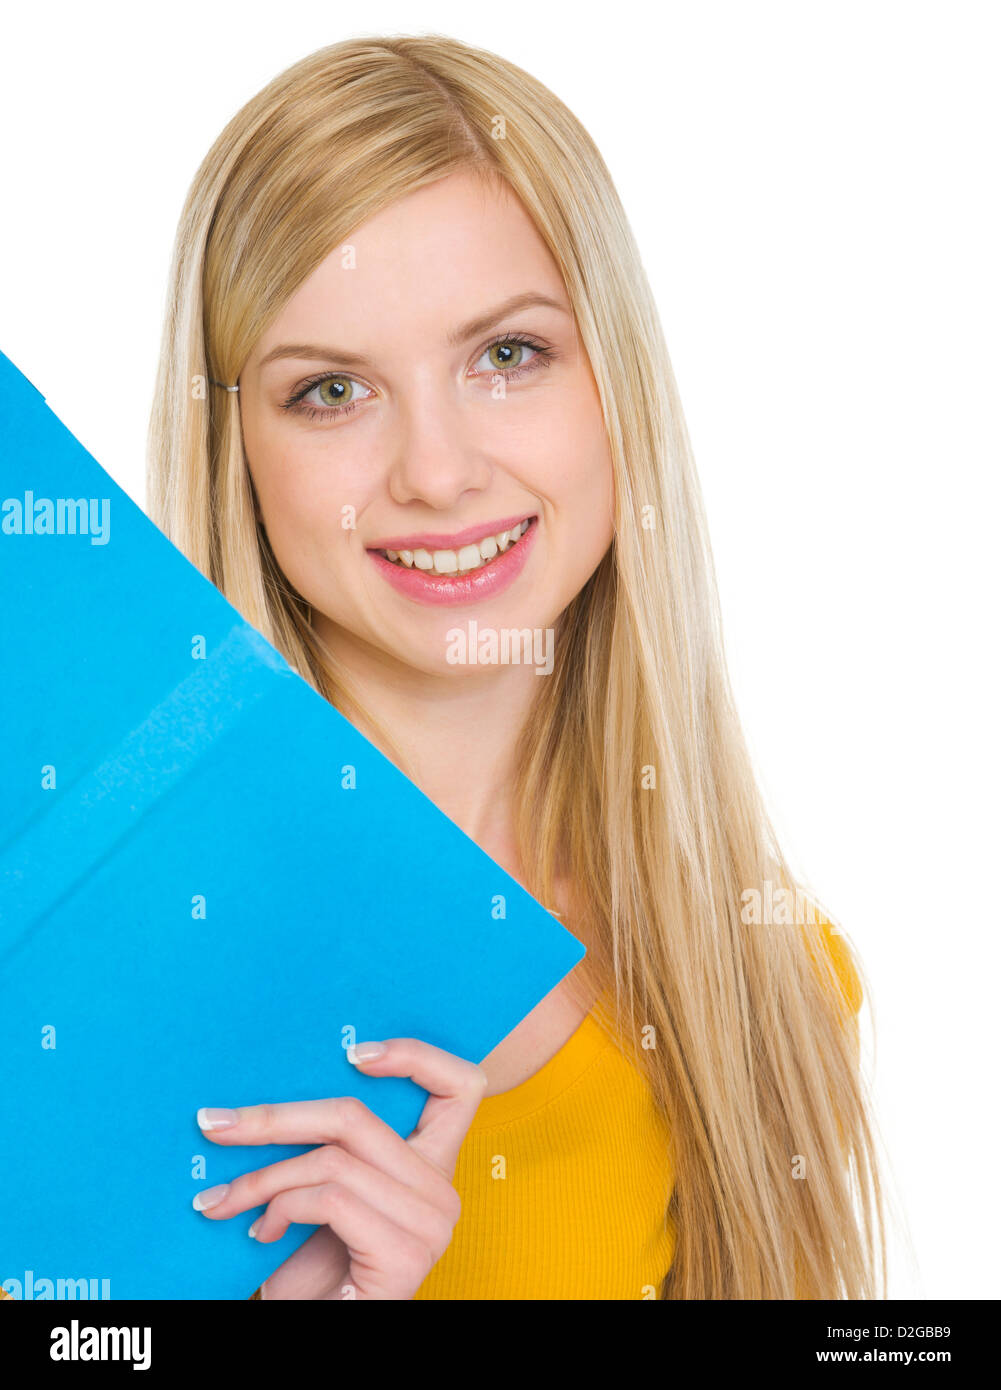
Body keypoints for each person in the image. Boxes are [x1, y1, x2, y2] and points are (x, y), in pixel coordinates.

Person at [146, 33, 885, 1300]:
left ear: (617, 388)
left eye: (505, 356)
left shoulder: (762, 980)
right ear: (239, 454)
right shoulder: (105, 934)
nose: (435, 472)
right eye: (331, 390)